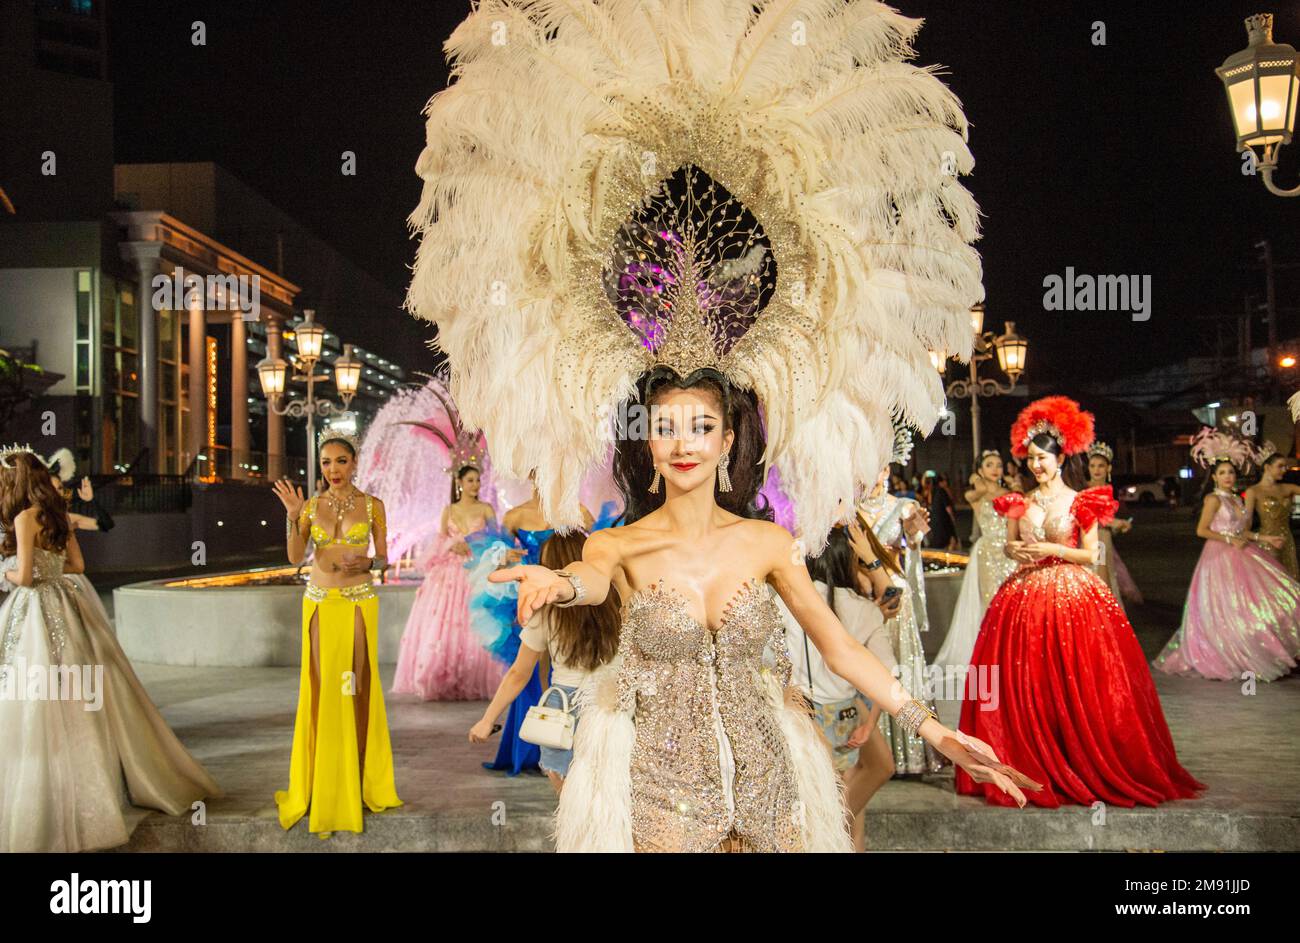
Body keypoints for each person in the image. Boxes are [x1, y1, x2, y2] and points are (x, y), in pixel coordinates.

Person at [408, 0, 1039, 852]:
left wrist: (929, 724)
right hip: (656, 798)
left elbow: (839, 650)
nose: (682, 442)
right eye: (665, 425)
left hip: (771, 789)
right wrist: (557, 587)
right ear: (647, 439)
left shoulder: (769, 545)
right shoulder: (618, 547)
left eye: (700, 425)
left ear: (728, 438)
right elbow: (588, 582)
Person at [957, 397, 1204, 808]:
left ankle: (1078, 755)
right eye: (1030, 459)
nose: (1035, 465)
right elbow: (1010, 546)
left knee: (1078, 677)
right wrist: (1016, 551)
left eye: (1042, 458)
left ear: (1060, 458)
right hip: (1023, 595)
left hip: (1071, 593)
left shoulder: (1082, 501)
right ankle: (1032, 756)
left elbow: (1090, 554)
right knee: (1025, 680)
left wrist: (1053, 550)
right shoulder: (1019, 502)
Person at [0, 446, 219, 852]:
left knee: (33, 693)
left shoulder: (24, 517)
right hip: (65, 604)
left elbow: (26, 578)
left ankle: (44, 795)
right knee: (76, 692)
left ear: (16, 482)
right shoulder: (57, 515)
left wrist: (6, 570)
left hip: (34, 608)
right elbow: (78, 567)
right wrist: (49, 568)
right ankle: (93, 785)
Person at [271, 432, 401, 836]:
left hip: (359, 602)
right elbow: (295, 557)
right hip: (319, 604)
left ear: (354, 462)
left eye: (341, 461)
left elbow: (385, 557)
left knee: (356, 687)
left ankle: (357, 781)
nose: (333, 469)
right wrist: (293, 515)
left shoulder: (373, 505)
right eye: (326, 462)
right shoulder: (311, 506)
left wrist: (368, 562)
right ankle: (319, 782)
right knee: (322, 689)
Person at [776, 522, 902, 852]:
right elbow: (888, 672)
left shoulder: (788, 601)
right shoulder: (864, 609)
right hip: (847, 713)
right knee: (849, 812)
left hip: (803, 715)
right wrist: (872, 560)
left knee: (827, 803)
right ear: (848, 560)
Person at [469, 530, 621, 793]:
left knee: (569, 798)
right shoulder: (618, 599)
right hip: (612, 704)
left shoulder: (547, 610)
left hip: (563, 708)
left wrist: (487, 720)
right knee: (609, 795)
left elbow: (519, 673)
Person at [466, 482, 596, 777]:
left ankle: (553, 739)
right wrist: (505, 558)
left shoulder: (578, 511)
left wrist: (487, 720)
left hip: (570, 599)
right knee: (536, 668)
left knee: (543, 667)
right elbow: (496, 557)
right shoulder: (515, 515)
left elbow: (599, 553)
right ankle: (536, 744)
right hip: (533, 597)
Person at [1155, 443, 1299, 682]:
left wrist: (1264, 538)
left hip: (1242, 552)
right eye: (1222, 473)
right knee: (1228, 606)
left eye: (1231, 472)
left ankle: (1255, 648)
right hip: (1219, 557)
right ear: (1214, 477)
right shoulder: (1213, 499)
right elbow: (1202, 530)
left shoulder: (1236, 499)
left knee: (1278, 597)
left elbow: (1242, 531)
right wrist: (1229, 540)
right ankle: (1230, 653)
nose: (1228, 477)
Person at [857, 465, 945, 775]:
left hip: (894, 594)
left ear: (886, 470)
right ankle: (869, 749)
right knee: (867, 667)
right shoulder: (846, 507)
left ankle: (908, 754)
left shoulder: (904, 507)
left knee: (898, 667)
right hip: (861, 595)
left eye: (878, 465)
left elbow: (915, 544)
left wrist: (911, 533)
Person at [392, 463, 505, 700]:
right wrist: (452, 545)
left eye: (478, 480)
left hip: (476, 569)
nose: (475, 485)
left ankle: (473, 676)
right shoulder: (449, 510)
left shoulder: (486, 509)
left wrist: (475, 545)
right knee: (445, 621)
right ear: (460, 483)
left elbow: (496, 540)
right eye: (470, 480)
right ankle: (442, 677)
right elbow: (439, 542)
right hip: (449, 573)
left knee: (474, 620)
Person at [934, 449, 1018, 670]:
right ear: (980, 470)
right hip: (987, 551)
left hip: (1008, 552)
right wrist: (976, 480)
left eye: (998, 465)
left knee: (1010, 600)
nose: (995, 469)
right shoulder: (976, 495)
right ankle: (990, 651)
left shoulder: (1010, 494)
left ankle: (1009, 650)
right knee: (990, 600)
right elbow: (974, 494)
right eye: (989, 465)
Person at [1085, 441, 1142, 610]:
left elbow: (1107, 519)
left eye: (1101, 466)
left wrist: (1118, 526)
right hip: (1091, 541)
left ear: (1108, 468)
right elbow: (1088, 517)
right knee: (1095, 582)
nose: (1096, 470)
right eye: (1092, 465)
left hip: (1105, 540)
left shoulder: (1108, 490)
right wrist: (1115, 522)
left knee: (1108, 581)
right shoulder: (1084, 490)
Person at [1246, 452, 1300, 581]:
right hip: (1268, 542)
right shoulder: (1253, 491)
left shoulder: (1288, 488)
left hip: (1288, 542)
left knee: (1291, 580)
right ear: (1267, 467)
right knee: (1274, 582)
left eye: (1285, 467)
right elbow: (1246, 525)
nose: (1284, 470)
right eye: (1280, 466)